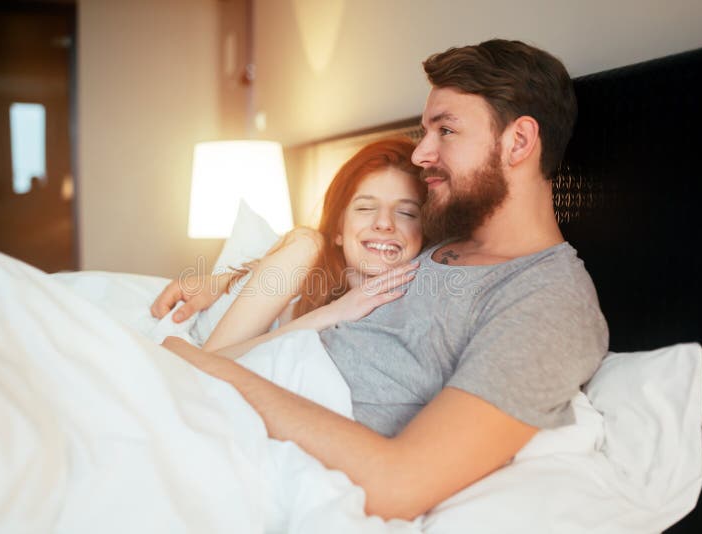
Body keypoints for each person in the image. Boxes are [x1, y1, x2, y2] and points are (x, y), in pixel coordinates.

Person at [161, 39, 609, 521]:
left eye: (446, 130)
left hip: (245, 416)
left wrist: (203, 368)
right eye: (424, 132)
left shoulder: (547, 304)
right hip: (226, 396)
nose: (421, 154)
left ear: (518, 142)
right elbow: (333, 260)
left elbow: (400, 483)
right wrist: (230, 279)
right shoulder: (440, 241)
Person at [150, 137, 426, 354]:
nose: (384, 223)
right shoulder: (307, 246)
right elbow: (211, 361)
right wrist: (333, 313)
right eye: (365, 207)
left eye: (406, 213)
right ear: (338, 229)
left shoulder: (422, 296)